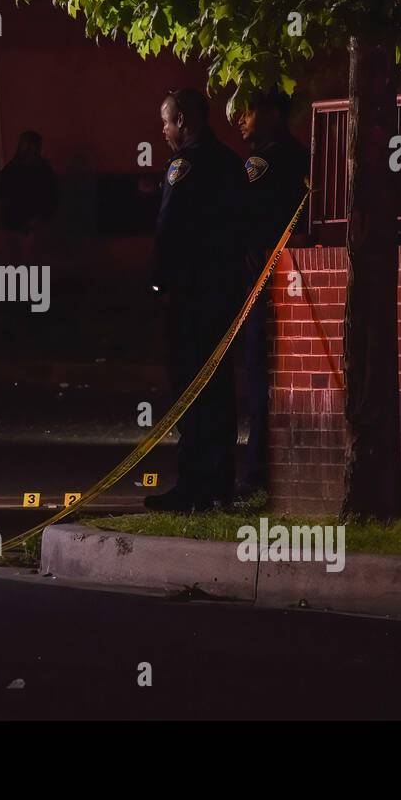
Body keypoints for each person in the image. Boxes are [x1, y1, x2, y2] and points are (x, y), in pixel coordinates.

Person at [144, 88, 250, 513]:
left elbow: (168, 230)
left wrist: (158, 283)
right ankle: (219, 483)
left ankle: (192, 484)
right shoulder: (229, 163)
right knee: (219, 388)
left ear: (184, 121)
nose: (164, 130)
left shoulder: (183, 167)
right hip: (224, 294)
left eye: (167, 122)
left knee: (190, 388)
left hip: (191, 298)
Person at [233, 89, 311, 499]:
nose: (240, 118)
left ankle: (254, 472)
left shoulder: (263, 163)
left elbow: (238, 215)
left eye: (249, 110)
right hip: (283, 277)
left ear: (273, 114)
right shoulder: (302, 158)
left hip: (261, 279)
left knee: (257, 372)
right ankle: (257, 469)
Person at [0, 130, 58, 263]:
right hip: (13, 225)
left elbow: (52, 197)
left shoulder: (43, 170)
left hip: (32, 226)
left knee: (28, 264)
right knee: (14, 264)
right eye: (25, 144)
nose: (28, 149)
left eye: (31, 145)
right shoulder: (13, 167)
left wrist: (38, 220)